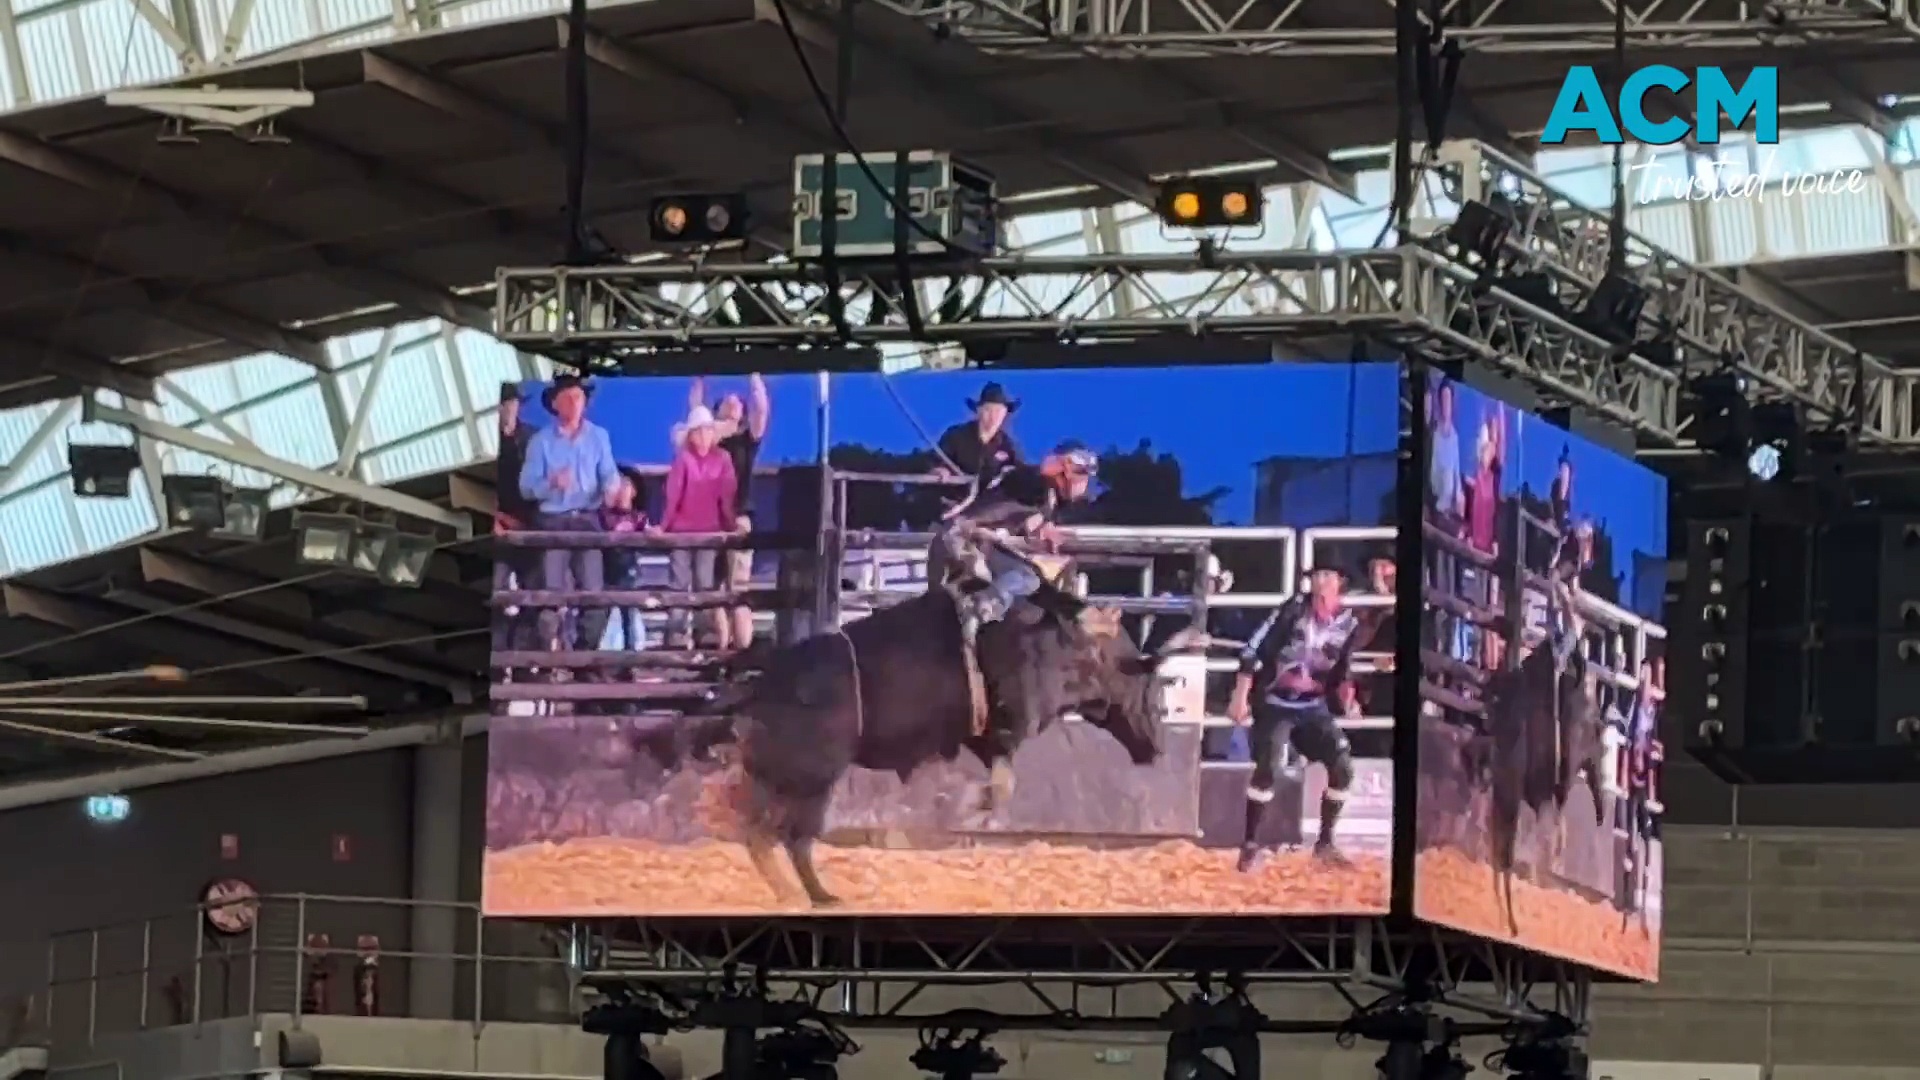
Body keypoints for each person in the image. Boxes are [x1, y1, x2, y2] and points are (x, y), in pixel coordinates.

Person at [1228, 563, 1363, 870]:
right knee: (1269, 767)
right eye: (1317, 575)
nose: (1320, 581)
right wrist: (1240, 696)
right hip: (1275, 704)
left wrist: (1349, 700)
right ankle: (1250, 845)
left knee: (1342, 765)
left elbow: (1343, 670)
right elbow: (1253, 651)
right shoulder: (1291, 612)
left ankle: (1325, 844)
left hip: (1313, 707)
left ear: (1340, 583)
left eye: (1327, 576)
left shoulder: (1349, 624)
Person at [518, 375, 619, 654]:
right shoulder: (540, 442)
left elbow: (609, 473)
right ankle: (550, 656)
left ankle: (584, 657)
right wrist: (550, 482)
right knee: (551, 595)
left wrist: (612, 488)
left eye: (579, 397)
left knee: (594, 595)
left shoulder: (599, 436)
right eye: (568, 398)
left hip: (587, 519)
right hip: (553, 520)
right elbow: (526, 487)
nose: (575, 403)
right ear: (555, 404)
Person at [692, 374, 771, 649]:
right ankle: (722, 648)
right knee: (715, 590)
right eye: (727, 402)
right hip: (711, 519)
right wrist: (700, 378)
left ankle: (743, 649)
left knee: (738, 587)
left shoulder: (746, 439)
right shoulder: (709, 441)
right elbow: (695, 410)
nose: (733, 404)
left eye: (737, 402)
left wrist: (754, 375)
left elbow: (761, 408)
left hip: (738, 516)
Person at [658, 405, 740, 650]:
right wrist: (664, 527)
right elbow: (673, 497)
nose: (703, 436)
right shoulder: (683, 459)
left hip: (709, 532)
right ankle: (675, 636)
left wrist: (731, 525)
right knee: (679, 584)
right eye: (698, 431)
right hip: (682, 532)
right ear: (690, 436)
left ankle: (704, 635)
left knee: (705, 583)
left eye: (707, 431)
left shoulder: (723, 459)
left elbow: (727, 497)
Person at [493, 382, 541, 656]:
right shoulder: (488, 443)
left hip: (528, 527)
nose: (510, 408)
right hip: (500, 528)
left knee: (533, 595)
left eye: (514, 403)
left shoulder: (532, 439)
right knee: (497, 594)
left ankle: (522, 661)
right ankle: (499, 659)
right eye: (506, 403)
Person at [599, 466, 651, 653]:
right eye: (617, 483)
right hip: (605, 570)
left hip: (628, 571)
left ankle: (630, 657)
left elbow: (649, 532)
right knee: (601, 611)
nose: (621, 489)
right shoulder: (603, 515)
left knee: (628, 612)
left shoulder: (639, 517)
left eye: (626, 484)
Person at [937, 381, 1023, 490]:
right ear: (978, 411)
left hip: (989, 502)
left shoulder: (1008, 445)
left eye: (998, 411)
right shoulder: (956, 436)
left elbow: (1021, 471)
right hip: (953, 498)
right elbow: (937, 459)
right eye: (988, 410)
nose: (993, 416)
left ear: (1005, 414)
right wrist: (940, 469)